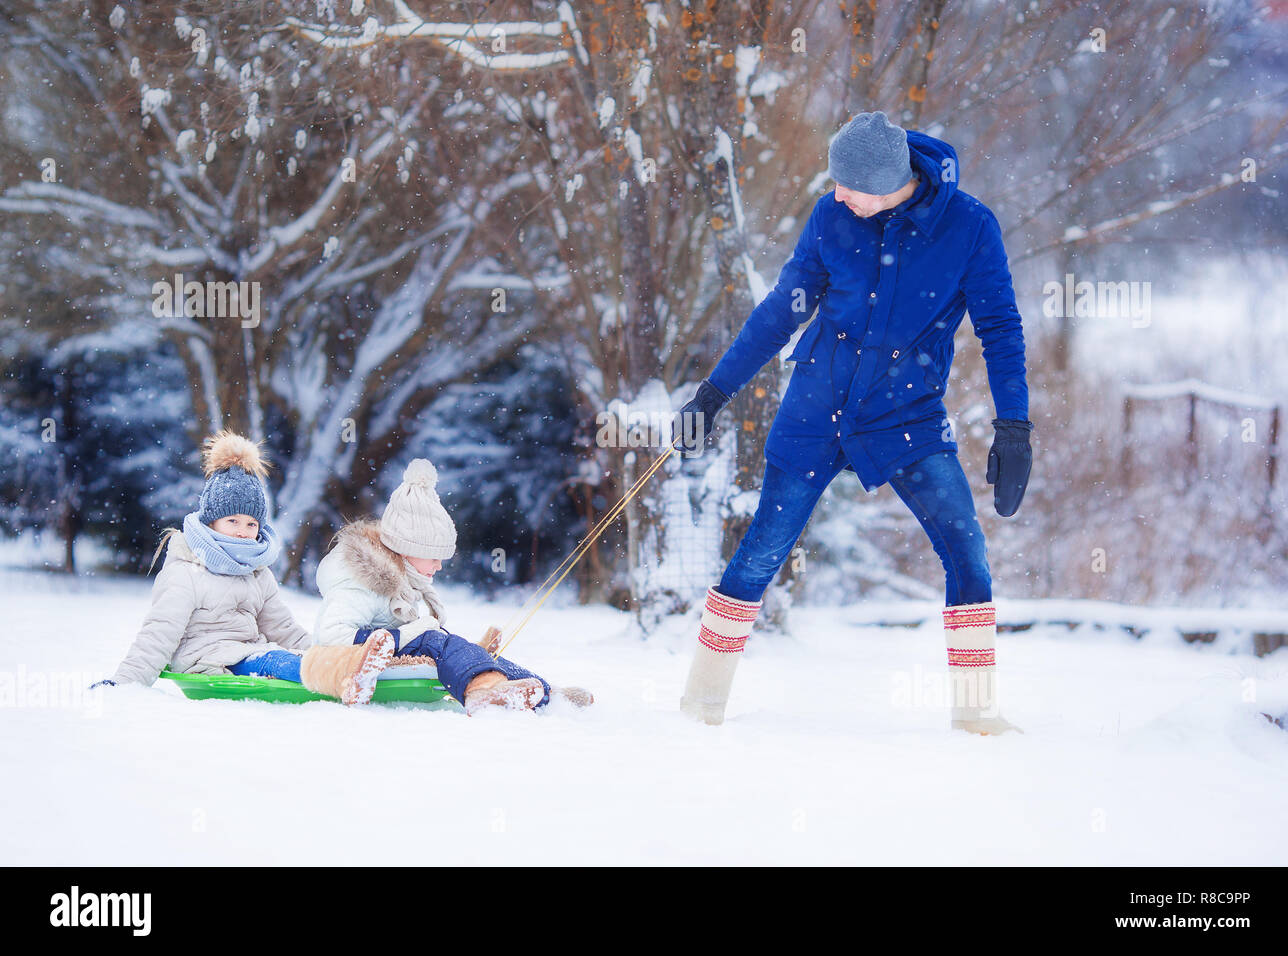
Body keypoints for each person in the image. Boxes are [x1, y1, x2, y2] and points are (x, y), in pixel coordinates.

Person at [673, 111, 1033, 735]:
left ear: (890, 180)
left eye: (849, 185)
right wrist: (713, 394)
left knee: (967, 551)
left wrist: (1014, 427)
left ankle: (977, 715)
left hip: (908, 417)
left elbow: (1000, 330)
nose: (836, 194)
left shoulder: (969, 228)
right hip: (815, 408)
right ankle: (700, 704)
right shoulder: (831, 218)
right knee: (761, 551)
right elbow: (779, 313)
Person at [97, 431, 394, 704]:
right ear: (211, 521)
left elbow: (282, 627)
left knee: (277, 657)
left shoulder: (256, 572)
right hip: (207, 660)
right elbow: (159, 633)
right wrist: (125, 683)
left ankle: (350, 663)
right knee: (274, 661)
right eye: (233, 521)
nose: (243, 531)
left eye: (251, 524)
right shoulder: (187, 571)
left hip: (253, 653)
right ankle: (345, 675)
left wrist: (324, 649)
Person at [314, 459, 593, 715]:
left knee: (450, 644)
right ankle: (483, 691)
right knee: (433, 640)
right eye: (434, 557)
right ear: (406, 549)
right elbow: (329, 636)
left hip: (385, 650)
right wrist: (408, 633)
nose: (439, 566)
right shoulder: (363, 581)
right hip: (359, 664)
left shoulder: (400, 576)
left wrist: (414, 632)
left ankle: (544, 693)